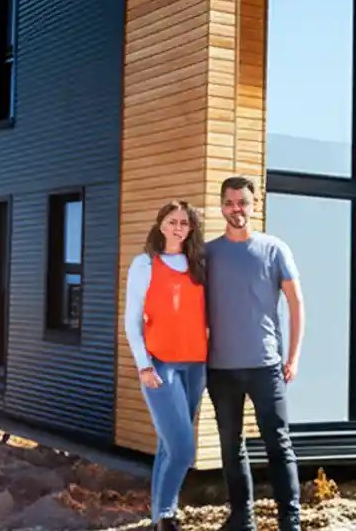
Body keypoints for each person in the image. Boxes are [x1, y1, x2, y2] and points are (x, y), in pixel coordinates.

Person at [205, 176, 305, 531]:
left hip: (266, 367)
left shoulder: (275, 249)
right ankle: (242, 519)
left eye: (243, 203)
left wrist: (292, 357)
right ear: (222, 206)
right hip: (220, 370)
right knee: (232, 448)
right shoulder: (208, 253)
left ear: (254, 204)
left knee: (279, 444)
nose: (237, 210)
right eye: (230, 203)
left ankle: (289, 520)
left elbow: (296, 303)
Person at [123, 200, 209, 531]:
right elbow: (132, 320)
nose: (178, 227)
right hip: (161, 366)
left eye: (184, 223)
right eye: (172, 221)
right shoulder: (145, 264)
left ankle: (159, 518)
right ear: (161, 225)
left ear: (191, 229)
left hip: (196, 366)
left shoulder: (198, 263)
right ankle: (169, 514)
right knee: (183, 449)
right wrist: (143, 365)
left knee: (168, 444)